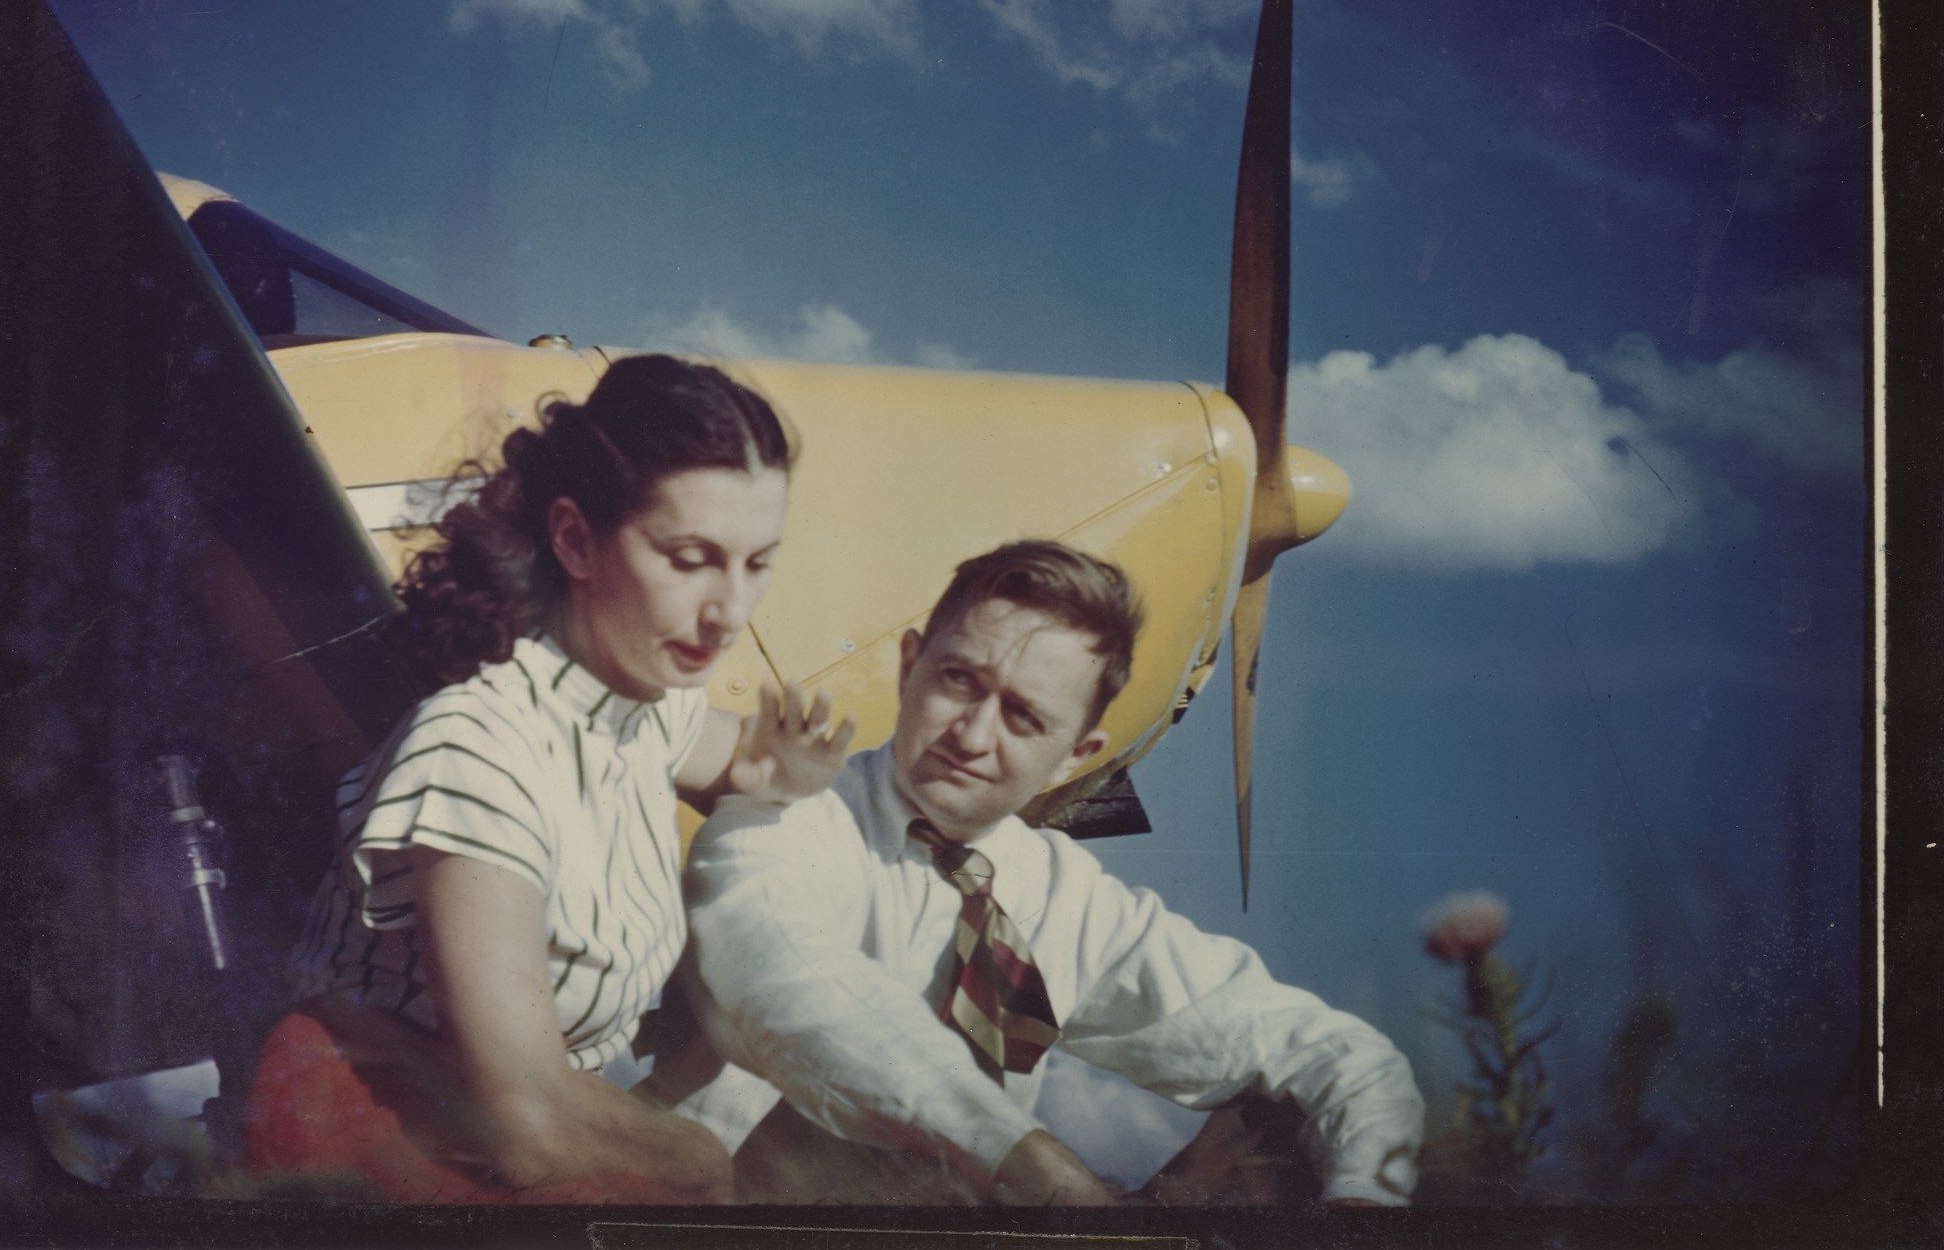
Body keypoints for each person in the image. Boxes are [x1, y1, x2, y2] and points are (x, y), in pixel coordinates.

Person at [242, 354, 854, 1204]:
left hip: (499, 1130)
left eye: (757, 563)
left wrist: (809, 775)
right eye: (690, 557)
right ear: (573, 538)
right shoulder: (480, 747)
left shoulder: (641, 703)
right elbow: (529, 1120)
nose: (731, 611)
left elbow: (747, 760)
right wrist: (707, 1163)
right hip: (370, 1137)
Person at [667, 540, 1423, 1206]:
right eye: (958, 679)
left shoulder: (1063, 894)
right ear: (908, 666)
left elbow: (1341, 1054)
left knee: (1279, 1114)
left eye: (1024, 717)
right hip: (717, 1219)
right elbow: (804, 998)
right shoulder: (783, 817)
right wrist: (1043, 1171)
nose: (971, 733)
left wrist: (1363, 1206)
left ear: (1077, 756)